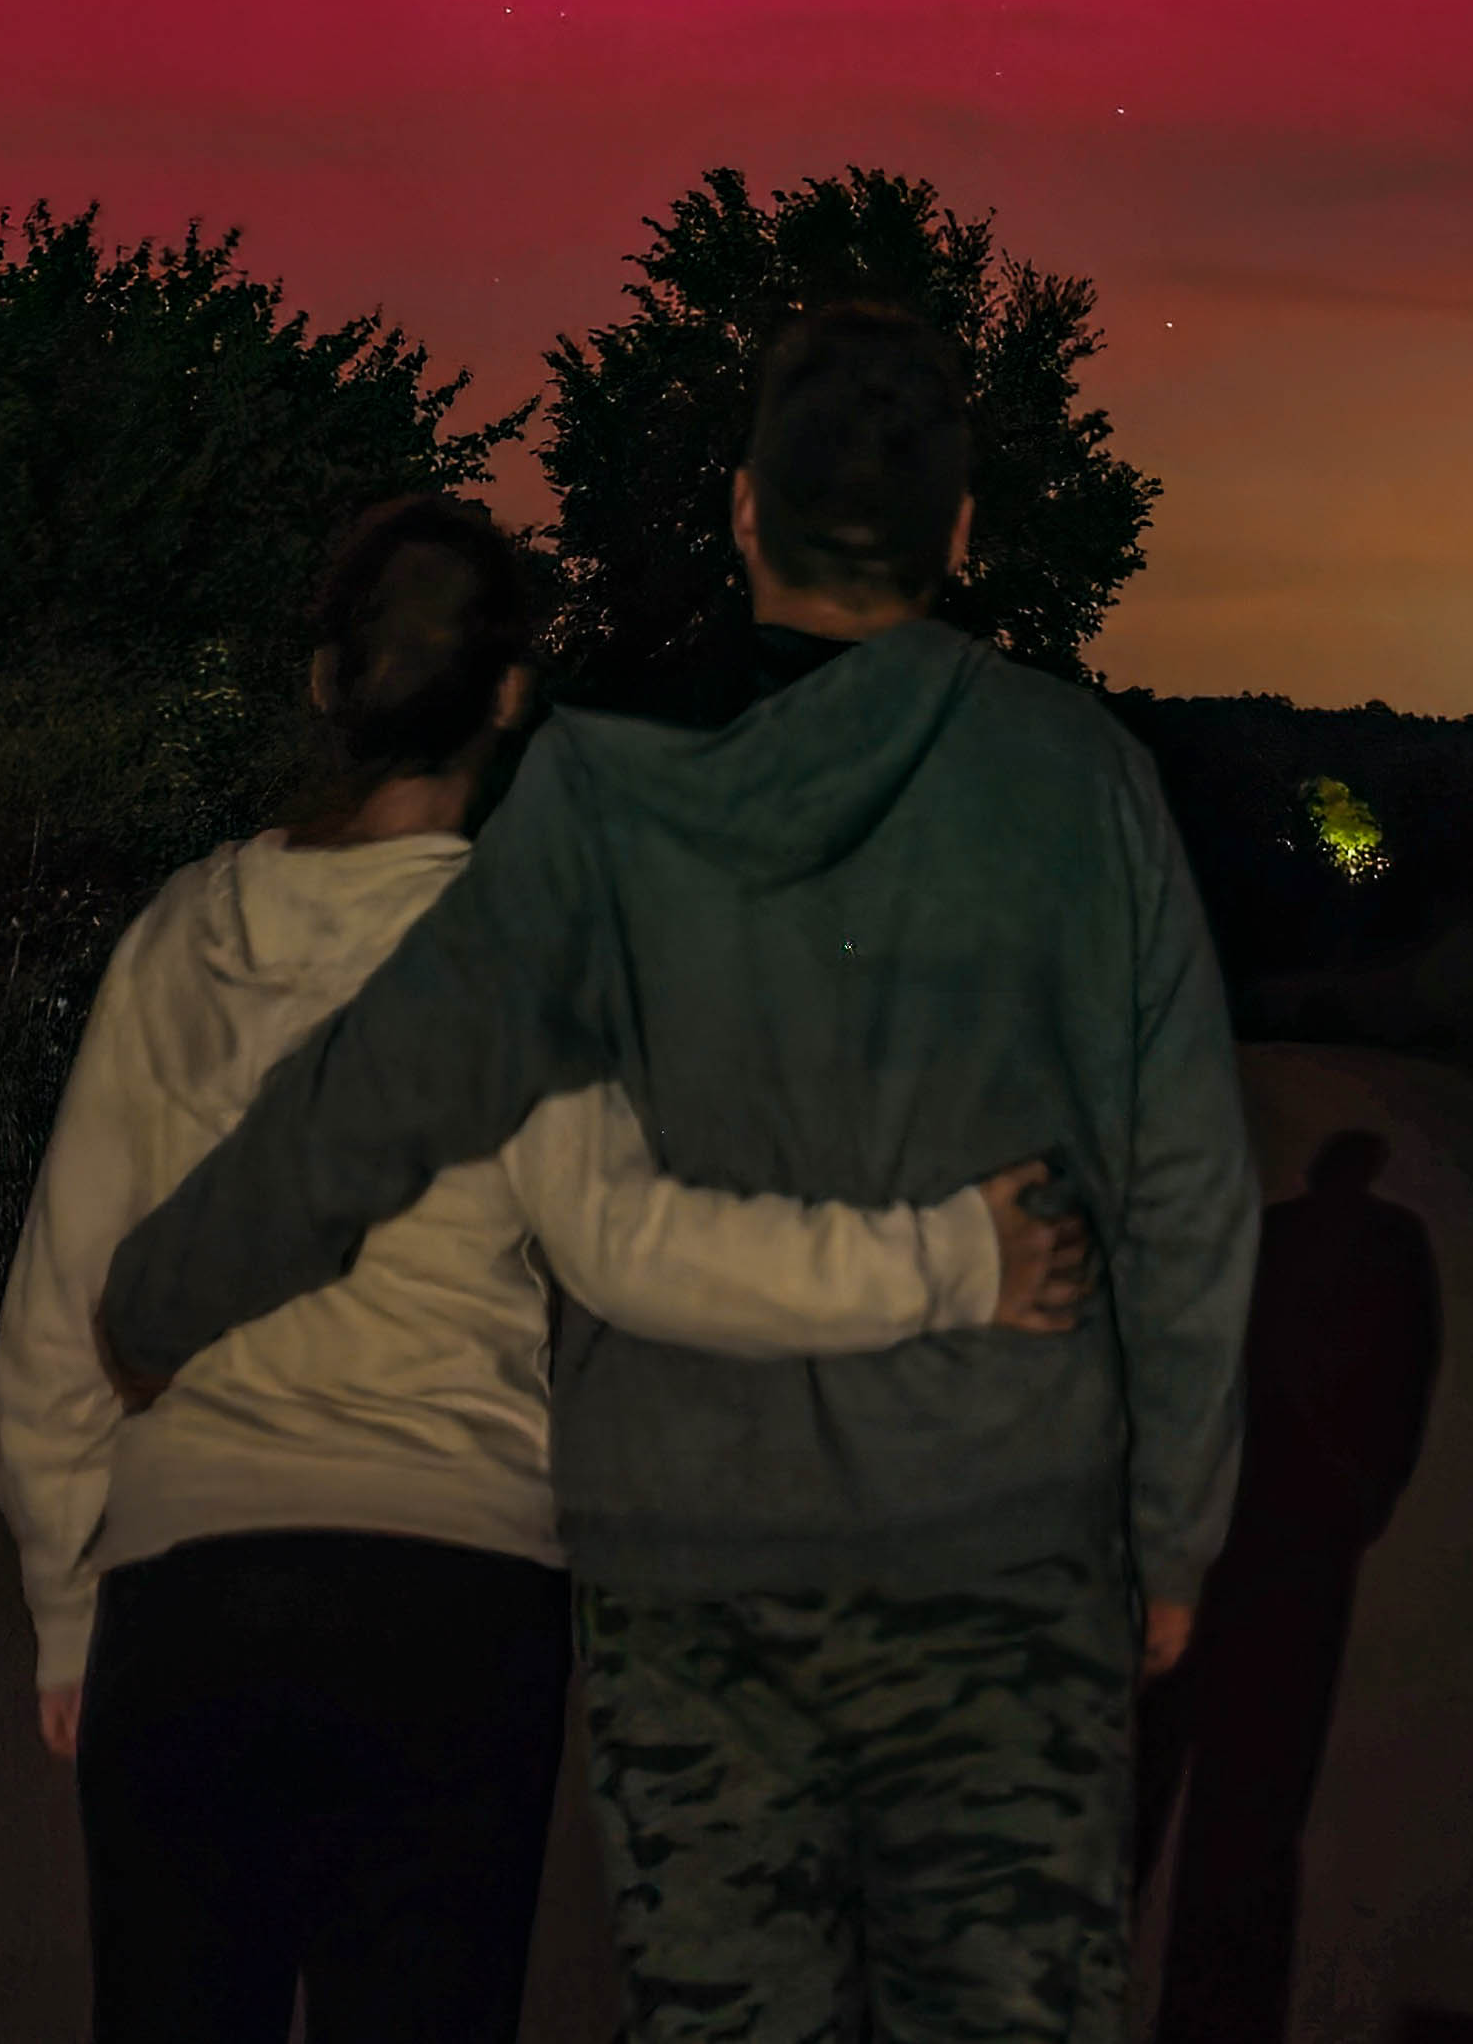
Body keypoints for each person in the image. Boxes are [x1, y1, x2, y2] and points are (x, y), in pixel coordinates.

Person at [104, 304, 1260, 2044]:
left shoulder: (600, 795)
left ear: (740, 513)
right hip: (1007, 1550)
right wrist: (1172, 1521)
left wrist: (165, 1294)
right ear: (962, 535)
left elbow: (389, 1089)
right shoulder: (1084, 784)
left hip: (696, 1570)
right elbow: (1188, 1188)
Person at [1128, 1126, 1442, 2044]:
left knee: (1167, 1746)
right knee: (1257, 1784)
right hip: (1308, 1519)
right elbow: (1409, 1374)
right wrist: (1372, 1493)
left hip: (1237, 1509)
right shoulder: (1395, 1242)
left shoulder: (1271, 1231)